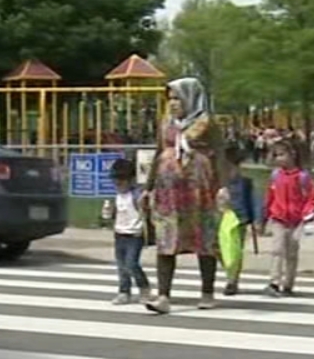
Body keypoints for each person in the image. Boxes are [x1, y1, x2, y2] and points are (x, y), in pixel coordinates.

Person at [144, 77, 222, 314]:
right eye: (170, 99)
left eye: (177, 98)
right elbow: (159, 152)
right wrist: (148, 186)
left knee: (204, 239)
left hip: (199, 190)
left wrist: (223, 186)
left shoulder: (207, 122)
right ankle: (164, 296)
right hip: (169, 192)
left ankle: (207, 292)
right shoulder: (166, 122)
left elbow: (219, 154)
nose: (173, 104)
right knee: (166, 239)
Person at [258, 140, 314, 298]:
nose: (279, 158)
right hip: (278, 218)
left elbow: (311, 198)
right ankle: (274, 282)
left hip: (296, 220)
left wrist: (308, 214)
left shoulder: (302, 177)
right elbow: (269, 198)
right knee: (277, 250)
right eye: (276, 155)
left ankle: (288, 284)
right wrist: (264, 217)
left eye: (282, 154)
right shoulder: (275, 176)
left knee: (291, 253)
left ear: (292, 155)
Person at [102, 157, 150, 304]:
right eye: (116, 181)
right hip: (119, 234)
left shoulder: (136, 195)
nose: (118, 184)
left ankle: (144, 288)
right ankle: (124, 291)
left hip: (134, 235)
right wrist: (108, 214)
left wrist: (142, 230)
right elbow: (113, 215)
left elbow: (144, 214)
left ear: (131, 180)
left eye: (122, 181)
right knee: (121, 265)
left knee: (131, 263)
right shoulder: (116, 197)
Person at [217, 144, 260, 297]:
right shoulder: (217, 181)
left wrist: (257, 219)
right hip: (220, 219)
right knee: (218, 250)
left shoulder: (245, 182)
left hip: (238, 220)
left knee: (235, 250)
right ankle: (230, 272)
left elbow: (254, 201)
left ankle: (232, 281)